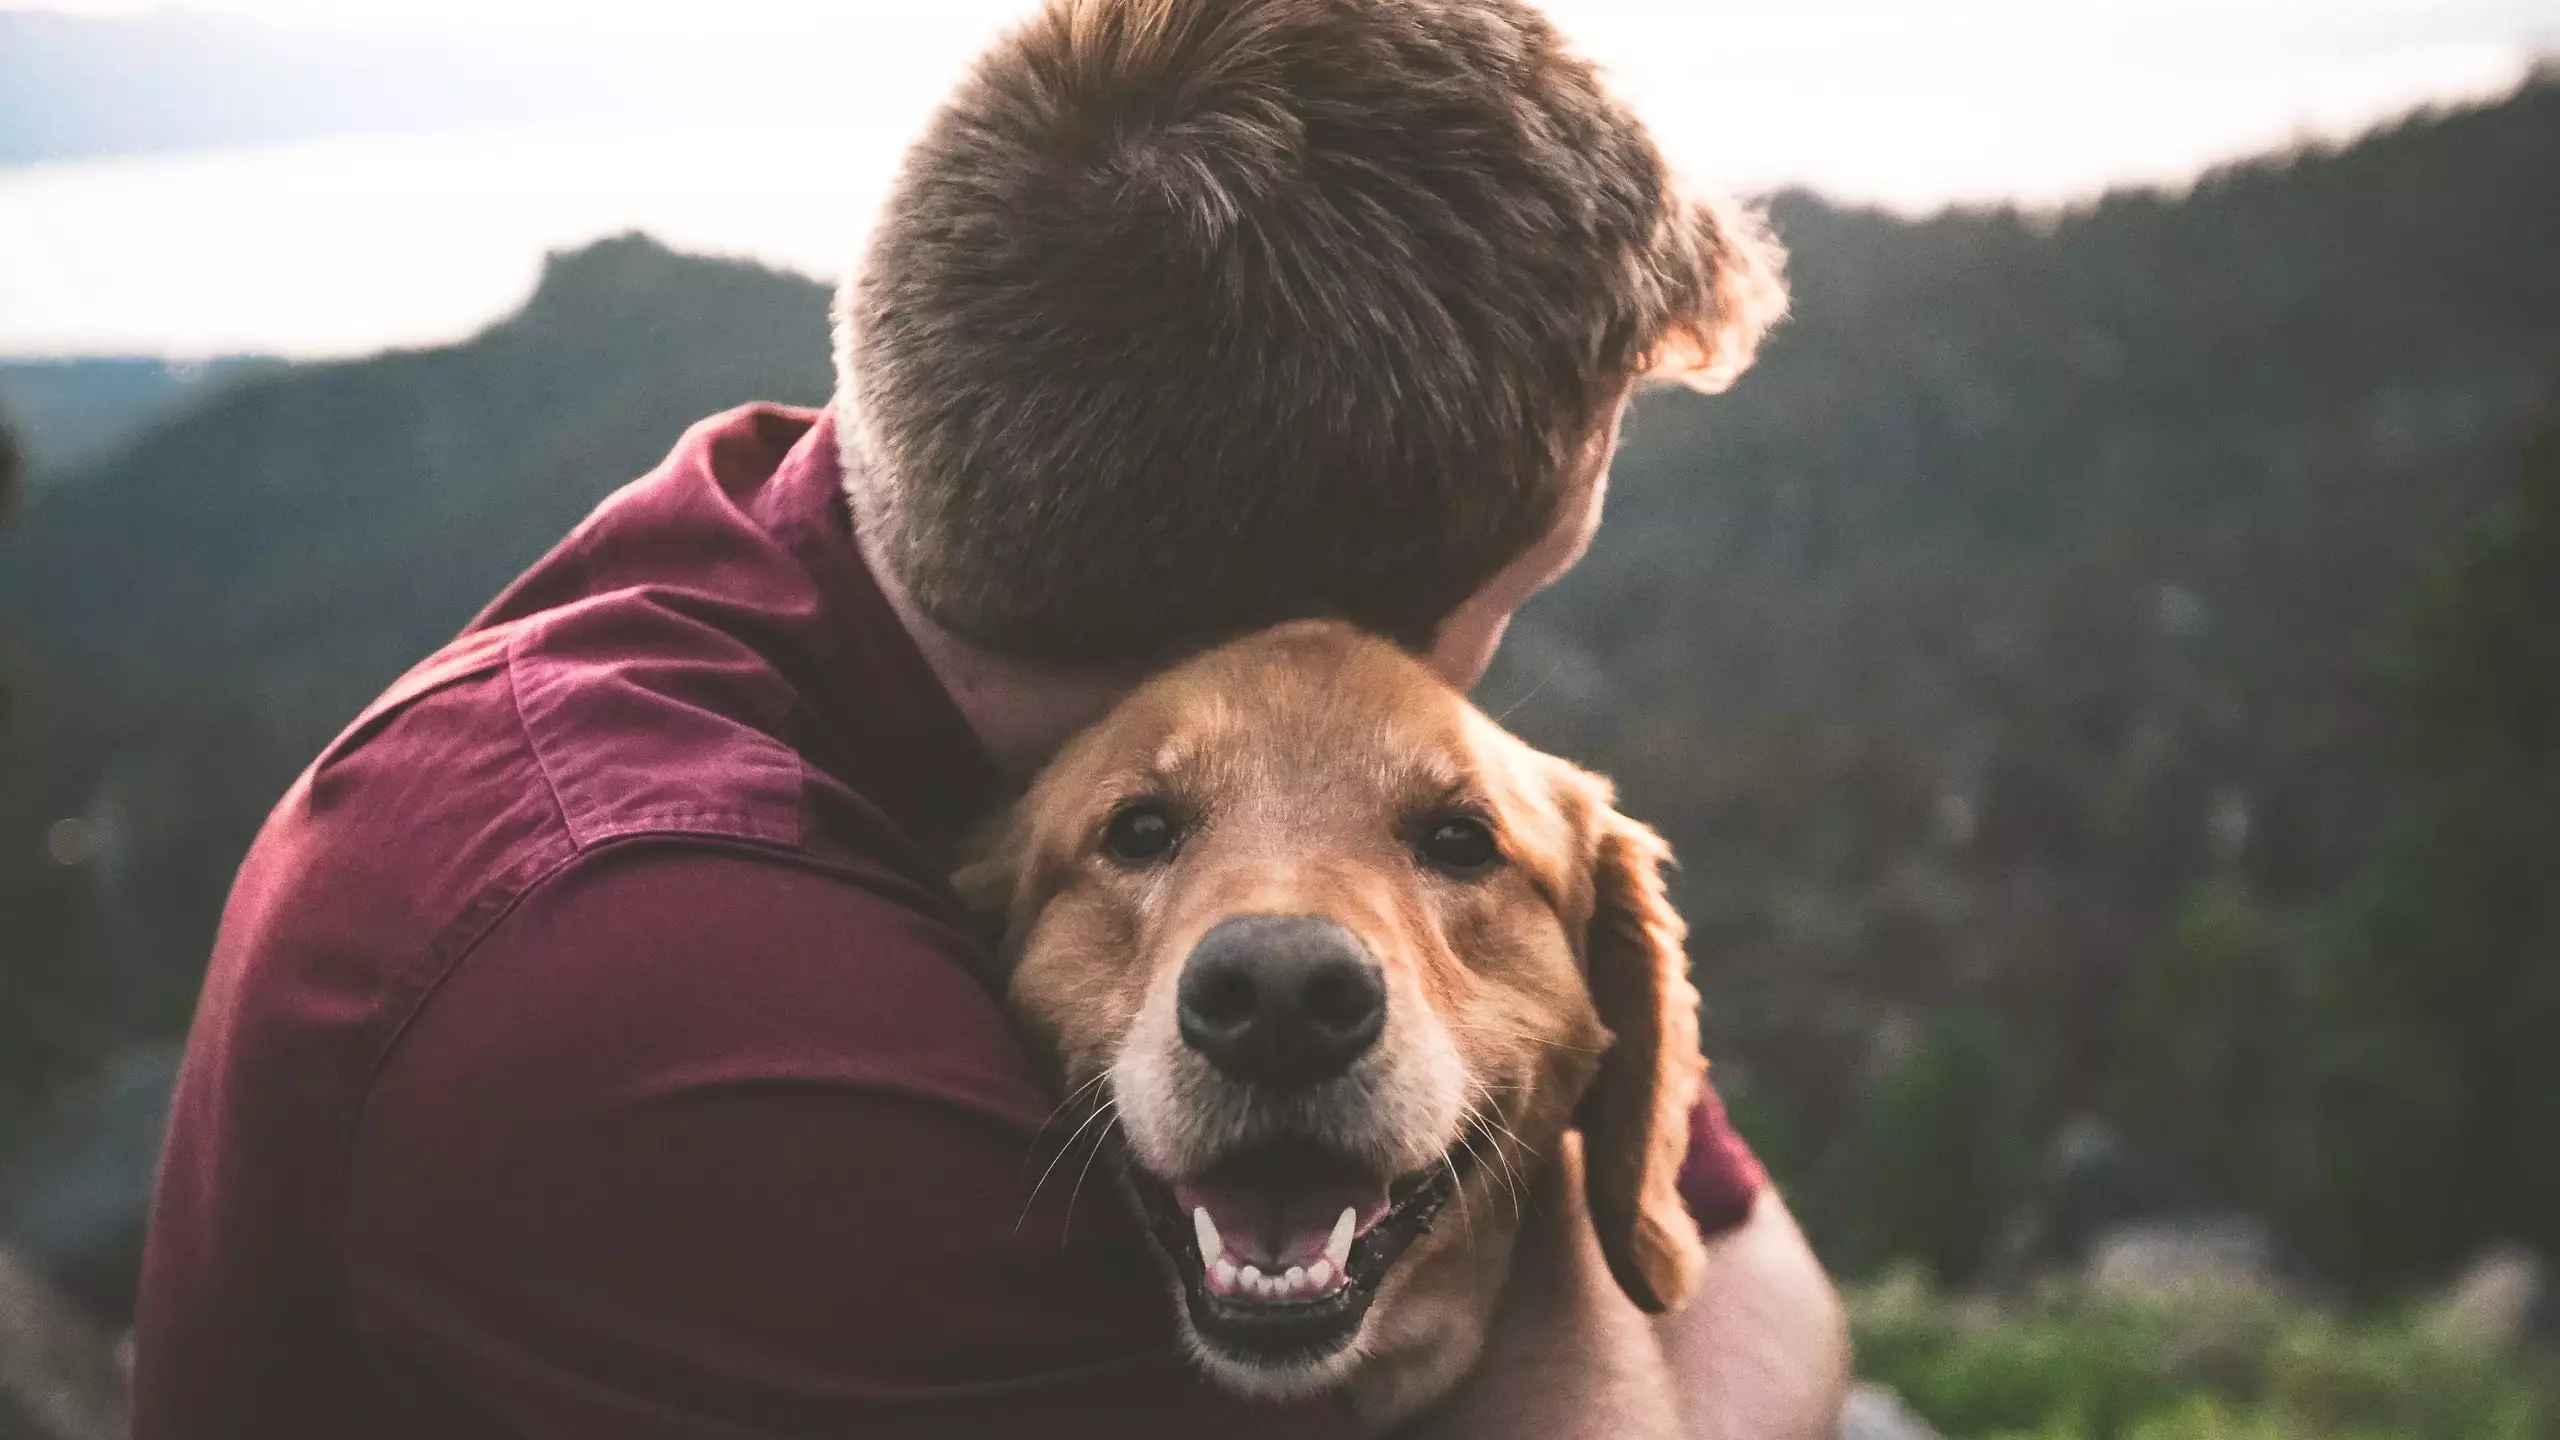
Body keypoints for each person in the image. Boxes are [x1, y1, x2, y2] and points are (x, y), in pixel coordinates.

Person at [131, 0, 1847, 1435]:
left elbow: (1755, 1279)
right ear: (1296, 639)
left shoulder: (858, 544)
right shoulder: (670, 1003)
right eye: (1515, 599)